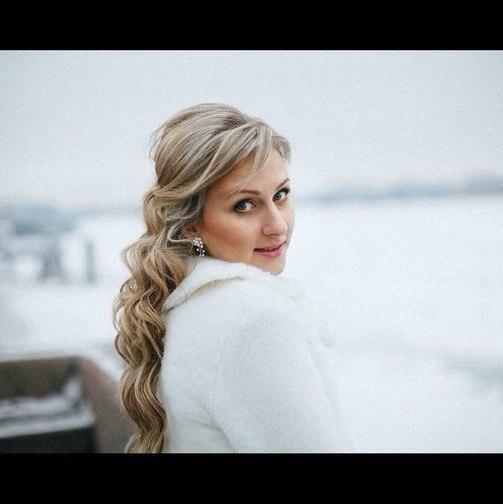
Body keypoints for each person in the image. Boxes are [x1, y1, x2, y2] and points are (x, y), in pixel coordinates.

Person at [113, 103, 351, 453]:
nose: (278, 226)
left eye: (281, 195)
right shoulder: (253, 321)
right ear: (190, 223)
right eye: (244, 205)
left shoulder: (186, 306)